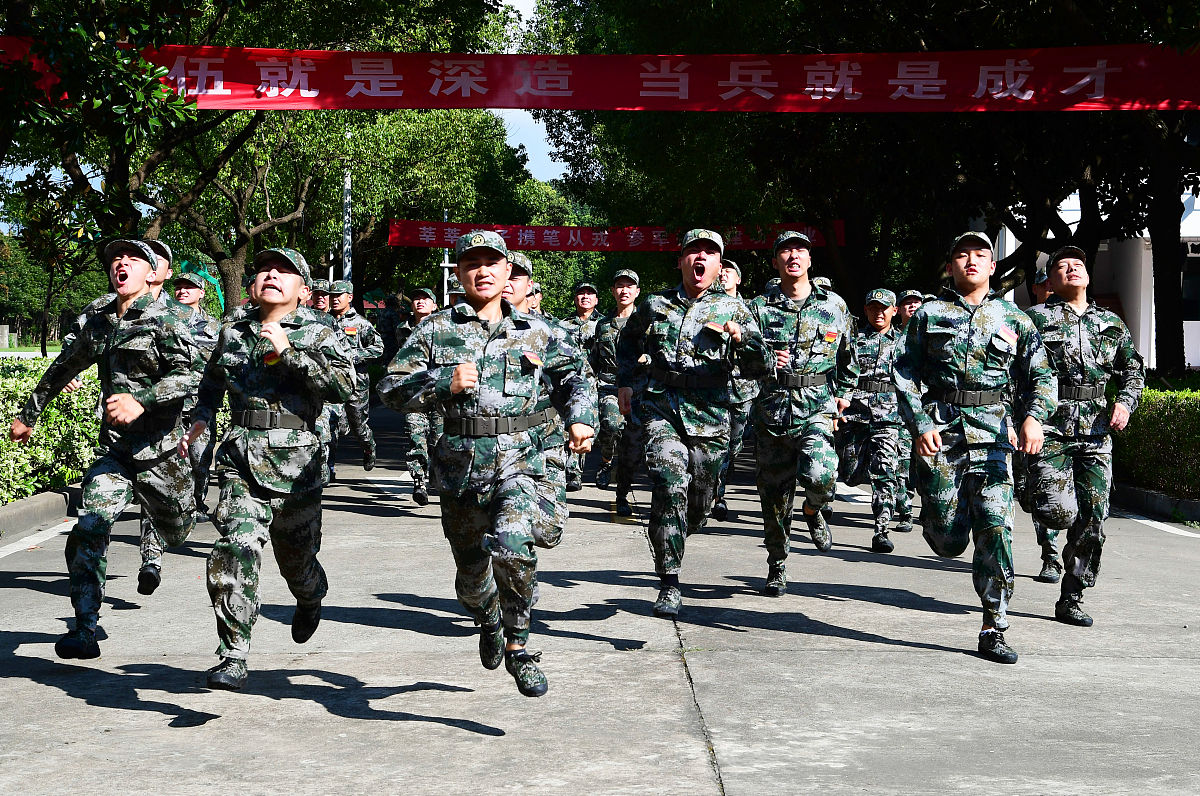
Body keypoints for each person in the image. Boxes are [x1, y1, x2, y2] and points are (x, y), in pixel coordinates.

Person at [378, 231, 596, 697]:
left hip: (525, 460)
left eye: (492, 263)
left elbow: (578, 378)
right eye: (472, 263)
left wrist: (581, 420)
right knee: (471, 579)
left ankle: (520, 645)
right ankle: (489, 616)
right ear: (458, 274)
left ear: (506, 272)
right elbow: (391, 390)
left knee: (514, 544)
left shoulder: (540, 331)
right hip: (461, 469)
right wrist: (442, 382)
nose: (483, 271)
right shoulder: (436, 330)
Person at [10, 239, 203, 659]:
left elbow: (193, 377)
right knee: (89, 529)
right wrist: (30, 414)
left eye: (132, 259)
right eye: (116, 258)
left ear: (152, 274)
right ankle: (85, 628)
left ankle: (168, 534)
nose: (121, 263)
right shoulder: (99, 321)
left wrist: (143, 400)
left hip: (164, 453)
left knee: (177, 529)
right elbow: (65, 366)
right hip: (115, 453)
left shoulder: (169, 319)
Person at [181, 247, 356, 690]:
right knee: (235, 548)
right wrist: (203, 417)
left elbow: (346, 387)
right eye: (264, 270)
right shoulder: (233, 332)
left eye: (284, 270)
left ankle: (311, 594)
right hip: (242, 460)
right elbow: (212, 381)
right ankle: (233, 653)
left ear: (303, 288)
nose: (271, 275)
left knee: (296, 562)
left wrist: (291, 352)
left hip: (298, 466)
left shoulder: (321, 331)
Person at [894, 231, 1057, 664]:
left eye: (981, 255)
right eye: (961, 254)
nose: (971, 260)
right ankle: (935, 514)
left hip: (994, 437)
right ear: (949, 266)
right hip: (941, 435)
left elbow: (1042, 375)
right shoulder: (928, 314)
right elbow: (904, 371)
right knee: (947, 540)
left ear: (992, 266)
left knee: (995, 524)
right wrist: (919, 422)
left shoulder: (1015, 319)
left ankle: (993, 625)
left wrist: (1033, 417)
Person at [616, 229, 769, 618]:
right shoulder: (653, 304)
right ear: (680, 260)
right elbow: (628, 345)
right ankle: (669, 581)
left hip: (711, 413)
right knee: (669, 481)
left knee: (697, 502)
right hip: (661, 405)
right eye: (692, 252)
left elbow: (758, 366)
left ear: (719, 265)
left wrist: (742, 342)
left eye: (709, 253)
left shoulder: (735, 310)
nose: (700, 259)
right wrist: (628, 385)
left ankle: (678, 530)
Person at [1026, 246, 1143, 627]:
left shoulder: (1110, 323)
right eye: (1062, 266)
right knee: (1057, 511)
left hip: (1095, 431)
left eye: (1078, 265)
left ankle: (1071, 595)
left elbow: (1132, 371)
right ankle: (1036, 493)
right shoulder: (1035, 321)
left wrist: (1124, 403)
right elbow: (1013, 375)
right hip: (1050, 427)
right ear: (1051, 280)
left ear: (1088, 276)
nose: (1071, 269)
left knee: (1094, 517)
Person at [748, 231, 858, 597]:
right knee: (775, 498)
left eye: (800, 250)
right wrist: (764, 359)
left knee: (823, 473)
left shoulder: (834, 306)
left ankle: (813, 510)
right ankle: (777, 564)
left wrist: (843, 395)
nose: (793, 255)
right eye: (785, 250)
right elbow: (742, 360)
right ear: (776, 261)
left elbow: (849, 360)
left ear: (810, 260)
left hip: (817, 407)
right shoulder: (757, 308)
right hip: (772, 413)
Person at [502, 251, 591, 548]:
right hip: (482, 447)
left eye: (515, 276)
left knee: (547, 531)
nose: (506, 282)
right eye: (502, 272)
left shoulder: (547, 334)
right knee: (507, 534)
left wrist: (579, 420)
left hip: (539, 440)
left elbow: (573, 379)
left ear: (529, 286)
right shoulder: (459, 330)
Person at [838, 289, 904, 553]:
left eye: (884, 308)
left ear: (894, 310)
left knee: (885, 471)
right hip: (855, 415)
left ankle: (881, 529)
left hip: (889, 417)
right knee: (850, 474)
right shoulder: (853, 341)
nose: (879, 313)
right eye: (873, 308)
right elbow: (840, 373)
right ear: (865, 311)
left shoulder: (904, 343)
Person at [1015, 268, 1058, 578]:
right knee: (1033, 489)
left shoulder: (1091, 320)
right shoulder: (1028, 321)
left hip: (1075, 421)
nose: (1051, 289)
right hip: (1031, 416)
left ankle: (1056, 557)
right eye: (1045, 284)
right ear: (1037, 287)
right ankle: (1051, 555)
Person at [171, 270, 222, 520]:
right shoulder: (163, 320)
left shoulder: (215, 327)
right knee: (171, 458)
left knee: (200, 456)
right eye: (178, 287)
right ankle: (177, 506)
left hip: (200, 403)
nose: (182, 291)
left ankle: (197, 501)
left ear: (201, 293)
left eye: (188, 287)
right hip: (169, 403)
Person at [712, 259, 760, 522]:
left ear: (739, 280)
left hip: (743, 391)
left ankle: (717, 488)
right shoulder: (705, 306)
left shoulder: (751, 309)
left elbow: (762, 347)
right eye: (721, 270)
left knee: (733, 446)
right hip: (711, 390)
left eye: (729, 271)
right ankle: (718, 497)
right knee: (712, 445)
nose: (723, 274)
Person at [591, 269, 642, 497]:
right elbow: (594, 358)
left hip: (639, 387)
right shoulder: (602, 325)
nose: (624, 290)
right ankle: (605, 458)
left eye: (629, 286)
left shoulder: (646, 322)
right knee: (611, 425)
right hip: (609, 384)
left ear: (637, 292)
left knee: (632, 445)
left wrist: (646, 359)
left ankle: (623, 493)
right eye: (620, 286)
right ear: (613, 291)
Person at [328, 280, 383, 470]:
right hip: (331, 380)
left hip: (356, 382)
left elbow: (378, 348)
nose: (334, 299)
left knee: (358, 425)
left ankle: (369, 447)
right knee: (331, 424)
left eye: (339, 295)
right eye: (332, 296)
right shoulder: (324, 321)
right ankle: (328, 467)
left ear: (349, 297)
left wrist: (355, 356)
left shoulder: (361, 323)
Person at [560, 281, 606, 491]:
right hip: (567, 383)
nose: (585, 297)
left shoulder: (604, 324)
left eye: (590, 293)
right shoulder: (562, 325)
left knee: (588, 427)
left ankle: (599, 464)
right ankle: (572, 473)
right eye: (581, 293)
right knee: (567, 425)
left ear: (596, 300)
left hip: (593, 383)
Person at [398, 287, 441, 505]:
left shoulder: (444, 327)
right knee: (415, 437)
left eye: (425, 299)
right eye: (416, 298)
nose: (420, 302)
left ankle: (437, 478)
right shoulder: (402, 330)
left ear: (435, 305)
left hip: (440, 393)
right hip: (414, 395)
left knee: (438, 440)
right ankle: (419, 482)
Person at [892, 289, 924, 533]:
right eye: (907, 304)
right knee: (903, 460)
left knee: (926, 462)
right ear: (898, 310)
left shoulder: (931, 336)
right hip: (898, 409)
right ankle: (905, 510)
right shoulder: (893, 338)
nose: (912, 307)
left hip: (929, 410)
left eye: (916, 303)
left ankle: (930, 507)